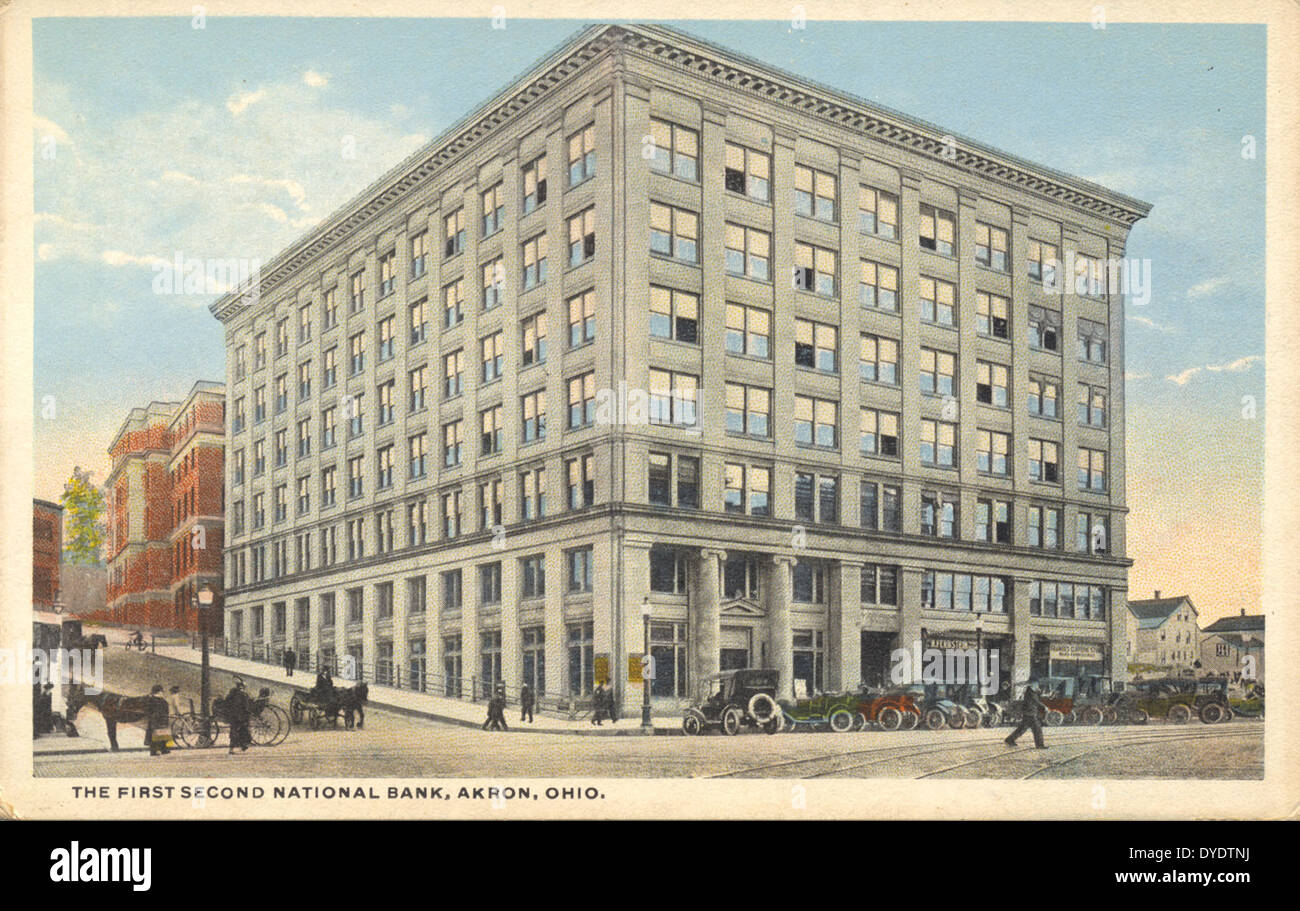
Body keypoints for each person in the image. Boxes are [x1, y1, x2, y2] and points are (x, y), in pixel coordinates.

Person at [1005, 680, 1048, 748]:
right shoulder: (1030, 693)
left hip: (1029, 713)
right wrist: (1044, 707)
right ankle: (1040, 745)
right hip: (1030, 713)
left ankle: (1009, 740)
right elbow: (1036, 701)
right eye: (1036, 684)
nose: (1037, 686)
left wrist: (1039, 692)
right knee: (1037, 729)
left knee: (1022, 729)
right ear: (1032, 685)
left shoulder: (1032, 692)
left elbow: (1037, 698)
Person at [225, 677, 252, 754]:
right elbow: (246, 706)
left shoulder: (232, 693)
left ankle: (233, 748)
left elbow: (227, 701)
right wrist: (247, 714)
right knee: (243, 730)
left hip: (233, 715)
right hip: (241, 716)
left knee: (234, 731)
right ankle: (243, 745)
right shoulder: (244, 694)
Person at [145, 684, 173, 756]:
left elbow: (148, 710)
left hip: (154, 719)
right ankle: (164, 749)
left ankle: (155, 750)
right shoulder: (163, 700)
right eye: (161, 692)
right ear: (159, 692)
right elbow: (167, 710)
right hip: (162, 719)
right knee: (163, 734)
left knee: (155, 735)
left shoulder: (151, 699)